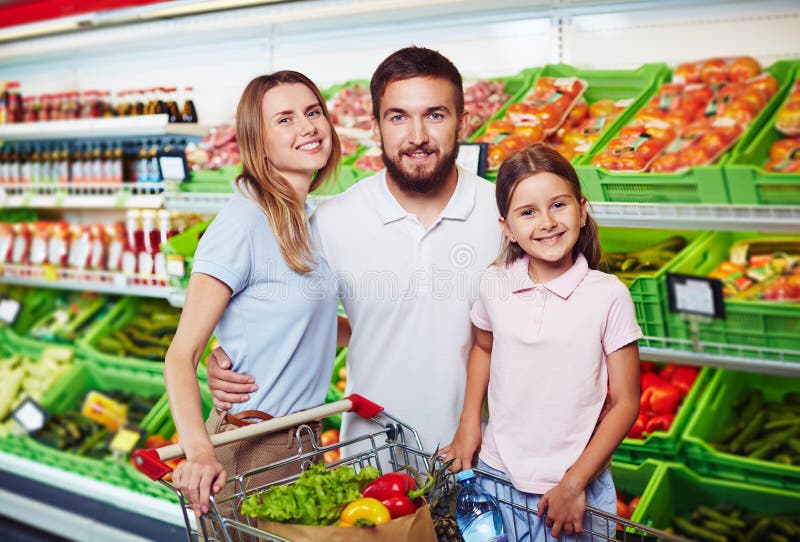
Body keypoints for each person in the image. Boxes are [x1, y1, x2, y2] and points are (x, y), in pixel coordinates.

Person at [206, 46, 502, 454]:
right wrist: (230, 358)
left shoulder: (504, 216)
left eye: (435, 115)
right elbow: (289, 310)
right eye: (398, 117)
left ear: (463, 124)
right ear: (375, 128)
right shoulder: (332, 221)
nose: (417, 136)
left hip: (482, 454)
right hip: (368, 452)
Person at [163, 70, 342, 517]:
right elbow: (181, 354)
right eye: (285, 119)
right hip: (252, 448)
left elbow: (310, 324)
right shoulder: (242, 224)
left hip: (302, 440)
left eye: (313, 112)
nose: (307, 127)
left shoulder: (306, 220)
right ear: (258, 142)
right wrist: (198, 452)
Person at [442, 144, 641, 541]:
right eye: (528, 212)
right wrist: (469, 425)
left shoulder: (608, 295)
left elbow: (626, 402)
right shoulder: (493, 282)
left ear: (581, 211)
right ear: (507, 228)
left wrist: (574, 482)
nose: (547, 222)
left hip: (574, 485)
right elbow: (483, 347)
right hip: (497, 474)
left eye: (558, 205)